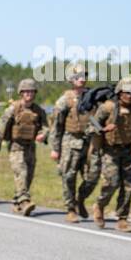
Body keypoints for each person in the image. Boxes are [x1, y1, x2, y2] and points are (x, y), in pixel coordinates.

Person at [86, 76, 131, 232]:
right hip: (110, 151)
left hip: (128, 150)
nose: (130, 96)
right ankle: (99, 205)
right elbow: (92, 123)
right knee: (111, 183)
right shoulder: (108, 107)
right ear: (119, 92)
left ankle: (122, 218)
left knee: (128, 185)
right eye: (127, 92)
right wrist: (103, 129)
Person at [50, 62, 102, 222]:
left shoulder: (93, 97)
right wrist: (55, 148)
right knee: (68, 176)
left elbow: (99, 117)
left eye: (84, 76)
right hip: (70, 142)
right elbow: (56, 125)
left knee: (93, 175)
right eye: (78, 76)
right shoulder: (64, 100)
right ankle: (70, 208)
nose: (81, 79)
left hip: (90, 142)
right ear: (71, 79)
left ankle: (81, 198)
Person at [0, 78, 48, 215]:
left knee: (28, 177)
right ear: (21, 93)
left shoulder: (38, 111)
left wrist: (43, 135)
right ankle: (25, 202)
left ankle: (17, 202)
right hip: (16, 147)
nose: (29, 94)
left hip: (31, 147)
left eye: (31, 91)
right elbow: (0, 129)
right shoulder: (13, 109)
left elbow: (45, 127)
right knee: (21, 173)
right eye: (26, 91)